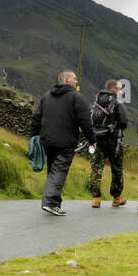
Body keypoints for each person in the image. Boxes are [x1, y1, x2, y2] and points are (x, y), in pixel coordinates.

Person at [30, 70, 95, 215]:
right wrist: (92, 140)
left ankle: (54, 203)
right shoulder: (76, 98)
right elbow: (85, 121)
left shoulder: (46, 96)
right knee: (59, 170)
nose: (76, 81)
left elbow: (36, 118)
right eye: (74, 79)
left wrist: (33, 137)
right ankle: (49, 202)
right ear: (66, 80)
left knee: (53, 170)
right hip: (65, 141)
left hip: (47, 140)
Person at [88, 79, 129, 207]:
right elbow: (124, 121)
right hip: (113, 140)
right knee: (116, 169)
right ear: (113, 89)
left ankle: (96, 198)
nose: (121, 91)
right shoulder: (117, 102)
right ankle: (116, 198)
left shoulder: (97, 101)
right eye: (119, 88)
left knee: (96, 167)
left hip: (98, 139)